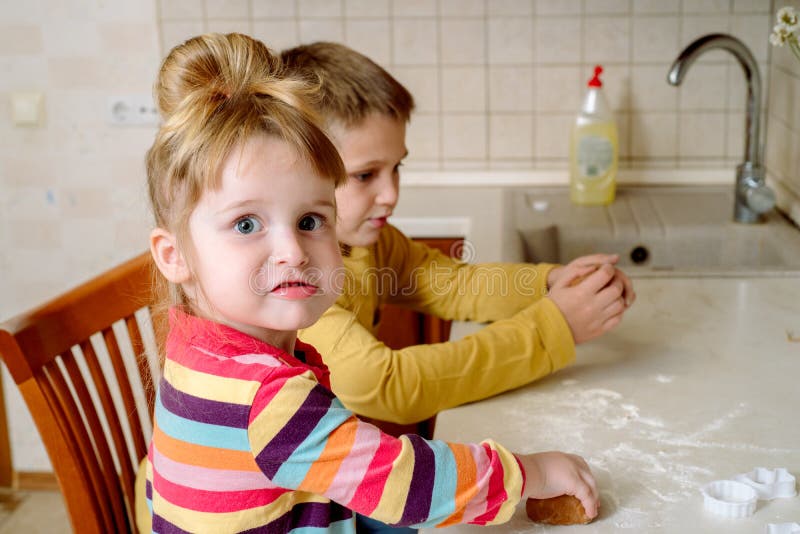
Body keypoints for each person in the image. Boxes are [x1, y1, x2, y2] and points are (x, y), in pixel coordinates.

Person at [139, 32, 599, 533]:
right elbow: (402, 481)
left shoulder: (204, 347)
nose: (293, 250)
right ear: (175, 255)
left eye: (311, 221)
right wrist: (528, 472)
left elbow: (450, 282)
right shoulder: (267, 398)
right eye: (247, 224)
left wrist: (549, 282)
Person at [280, 42, 636, 428]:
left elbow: (451, 283)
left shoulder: (366, 244)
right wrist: (556, 328)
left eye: (396, 168)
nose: (391, 194)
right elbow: (387, 385)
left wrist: (550, 283)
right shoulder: (293, 280)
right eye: (366, 175)